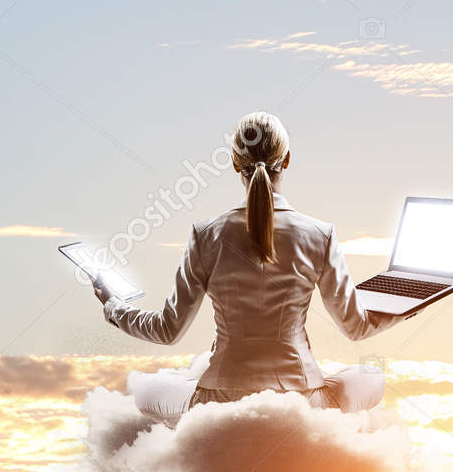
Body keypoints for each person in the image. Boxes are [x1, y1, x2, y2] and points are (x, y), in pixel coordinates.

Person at [92, 111, 405, 411]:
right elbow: (357, 327)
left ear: (233, 163)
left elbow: (166, 330)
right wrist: (408, 304)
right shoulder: (320, 234)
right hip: (304, 396)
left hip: (217, 397)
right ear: (287, 160)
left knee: (149, 389)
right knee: (372, 377)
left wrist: (114, 307)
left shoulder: (206, 235)